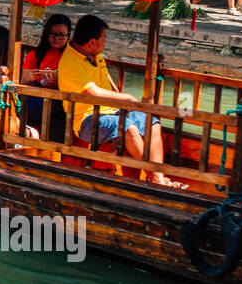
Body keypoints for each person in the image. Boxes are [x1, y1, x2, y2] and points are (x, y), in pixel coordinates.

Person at [58, 14, 170, 186]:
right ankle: (157, 179)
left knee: (152, 122)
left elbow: (108, 84)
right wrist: (128, 98)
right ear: (92, 42)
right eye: (104, 38)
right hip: (86, 121)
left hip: (111, 111)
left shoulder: (95, 54)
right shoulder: (70, 62)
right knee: (127, 127)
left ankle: (158, 176)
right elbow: (92, 91)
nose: (106, 42)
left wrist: (128, 104)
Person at [22, 13, 71, 131]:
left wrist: (59, 80)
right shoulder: (35, 55)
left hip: (61, 100)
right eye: (53, 34)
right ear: (46, 33)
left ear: (68, 36)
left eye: (62, 35)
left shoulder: (71, 57)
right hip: (37, 98)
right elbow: (22, 82)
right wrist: (30, 77)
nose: (57, 38)